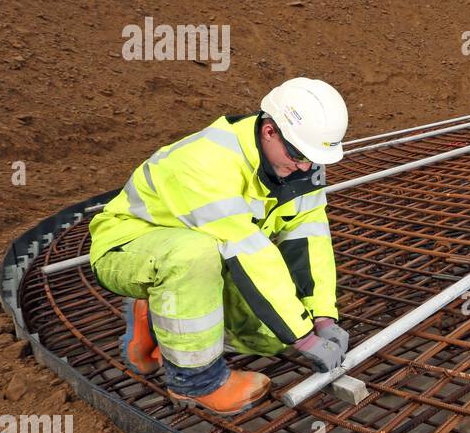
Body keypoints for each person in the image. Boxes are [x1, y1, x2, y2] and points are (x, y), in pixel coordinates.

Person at [88, 77, 351, 415]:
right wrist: (303, 336)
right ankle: (195, 382)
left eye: (314, 160)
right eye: (299, 155)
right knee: (195, 254)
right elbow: (248, 251)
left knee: (269, 336)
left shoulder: (302, 166)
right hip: (128, 246)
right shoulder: (207, 162)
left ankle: (159, 317)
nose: (305, 167)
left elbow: (309, 235)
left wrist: (321, 316)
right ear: (270, 131)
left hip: (212, 250)